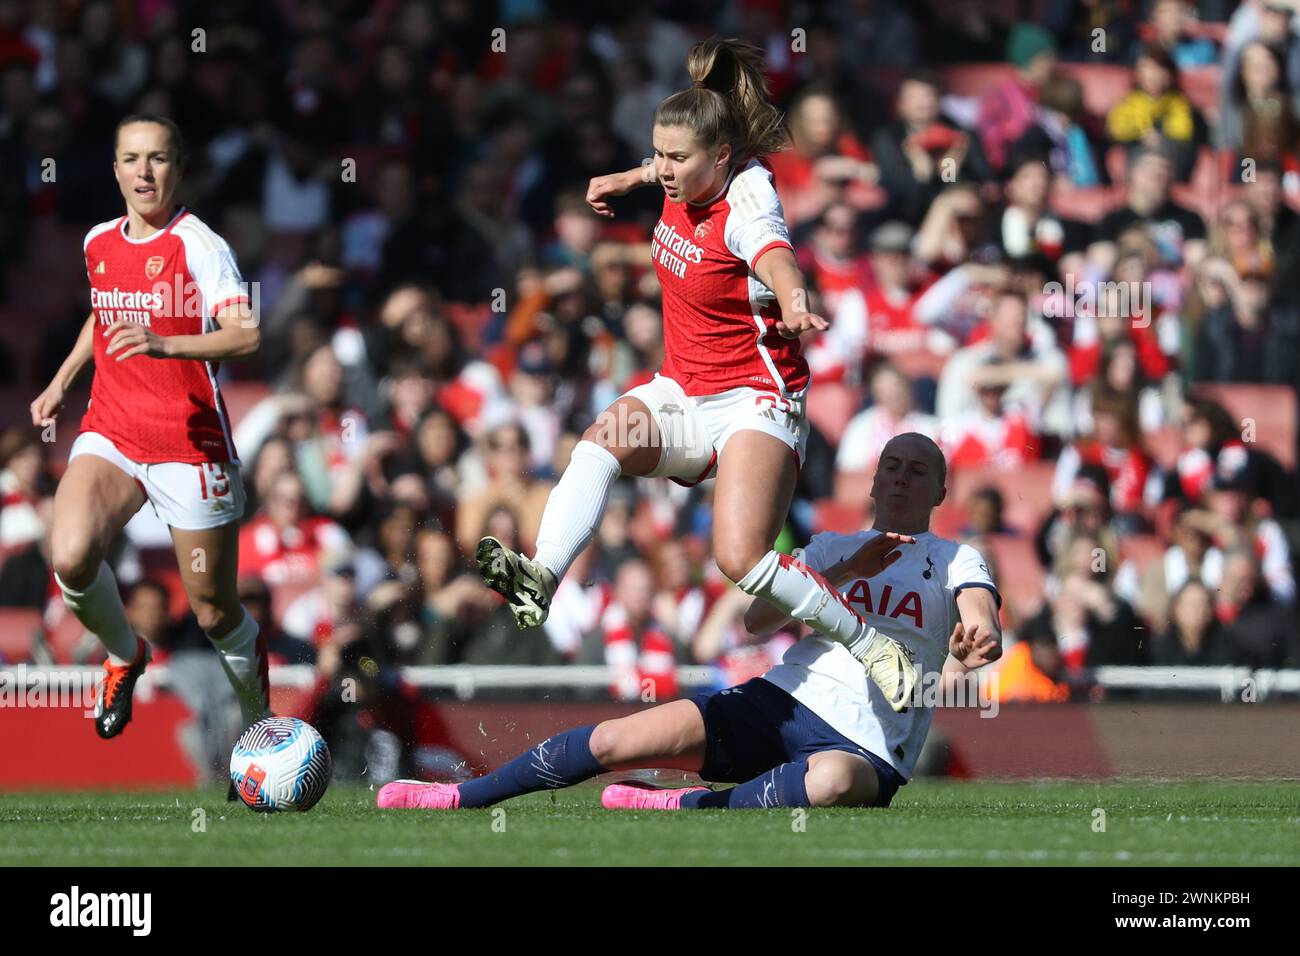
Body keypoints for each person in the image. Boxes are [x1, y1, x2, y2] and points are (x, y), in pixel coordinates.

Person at [478, 37, 919, 709]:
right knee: (600, 441)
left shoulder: (746, 198)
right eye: (657, 154)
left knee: (741, 561)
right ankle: (540, 577)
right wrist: (626, 180)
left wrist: (795, 299)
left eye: (675, 159)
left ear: (720, 156)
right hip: (685, 389)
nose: (664, 169)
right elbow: (660, 168)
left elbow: (774, 254)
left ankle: (871, 646)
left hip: (757, 401)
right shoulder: (682, 169)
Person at [376, 433, 1002, 812]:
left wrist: (980, 635)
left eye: (919, 471)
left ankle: (685, 804)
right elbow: (758, 620)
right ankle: (461, 796)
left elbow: (981, 620)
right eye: (893, 465)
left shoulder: (955, 557)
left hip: (867, 745)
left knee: (834, 781)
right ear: (873, 478)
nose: (901, 476)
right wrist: (841, 571)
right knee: (615, 742)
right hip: (781, 701)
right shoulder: (832, 545)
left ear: (941, 493)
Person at [28, 113, 269, 739]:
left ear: (177, 169)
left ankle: (258, 727)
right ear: (115, 169)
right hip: (112, 429)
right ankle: (125, 654)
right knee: (72, 554)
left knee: (214, 611)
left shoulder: (202, 246)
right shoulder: (98, 242)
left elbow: (246, 334)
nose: (144, 171)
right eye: (132, 159)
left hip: (189, 445)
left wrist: (167, 345)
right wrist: (61, 381)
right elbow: (105, 315)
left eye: (158, 159)